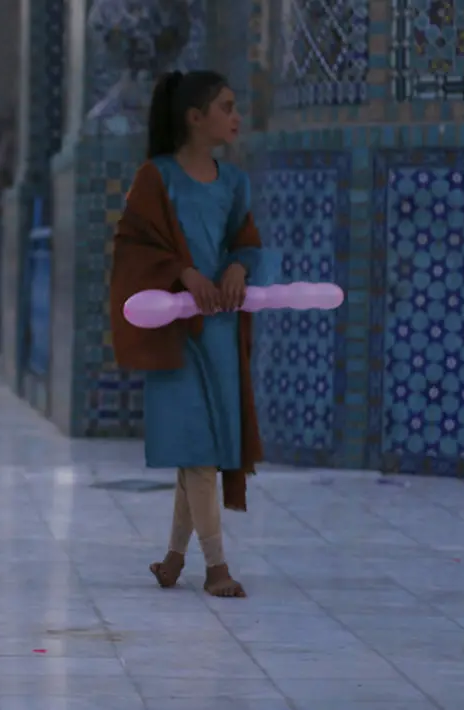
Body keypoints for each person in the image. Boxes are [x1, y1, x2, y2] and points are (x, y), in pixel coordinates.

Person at [109, 70, 278, 599]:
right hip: (176, 333)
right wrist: (184, 274)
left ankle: (174, 558)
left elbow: (246, 242)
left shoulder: (234, 182)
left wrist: (236, 269)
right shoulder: (155, 177)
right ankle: (217, 567)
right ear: (195, 117)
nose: (236, 117)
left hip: (221, 332)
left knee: (199, 452)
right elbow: (136, 246)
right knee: (198, 450)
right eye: (226, 107)